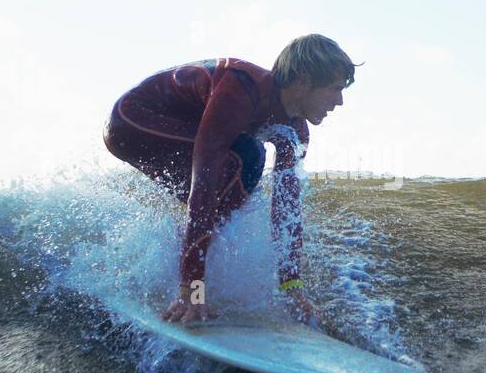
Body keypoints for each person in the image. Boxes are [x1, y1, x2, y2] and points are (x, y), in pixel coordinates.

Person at [103, 34, 355, 326]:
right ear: (303, 81)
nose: (339, 101)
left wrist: (291, 288)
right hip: (132, 122)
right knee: (245, 157)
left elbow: (286, 213)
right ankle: (190, 289)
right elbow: (204, 182)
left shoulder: (295, 132)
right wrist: (193, 290)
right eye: (333, 89)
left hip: (181, 130)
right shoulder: (241, 88)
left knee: (238, 183)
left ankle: (175, 260)